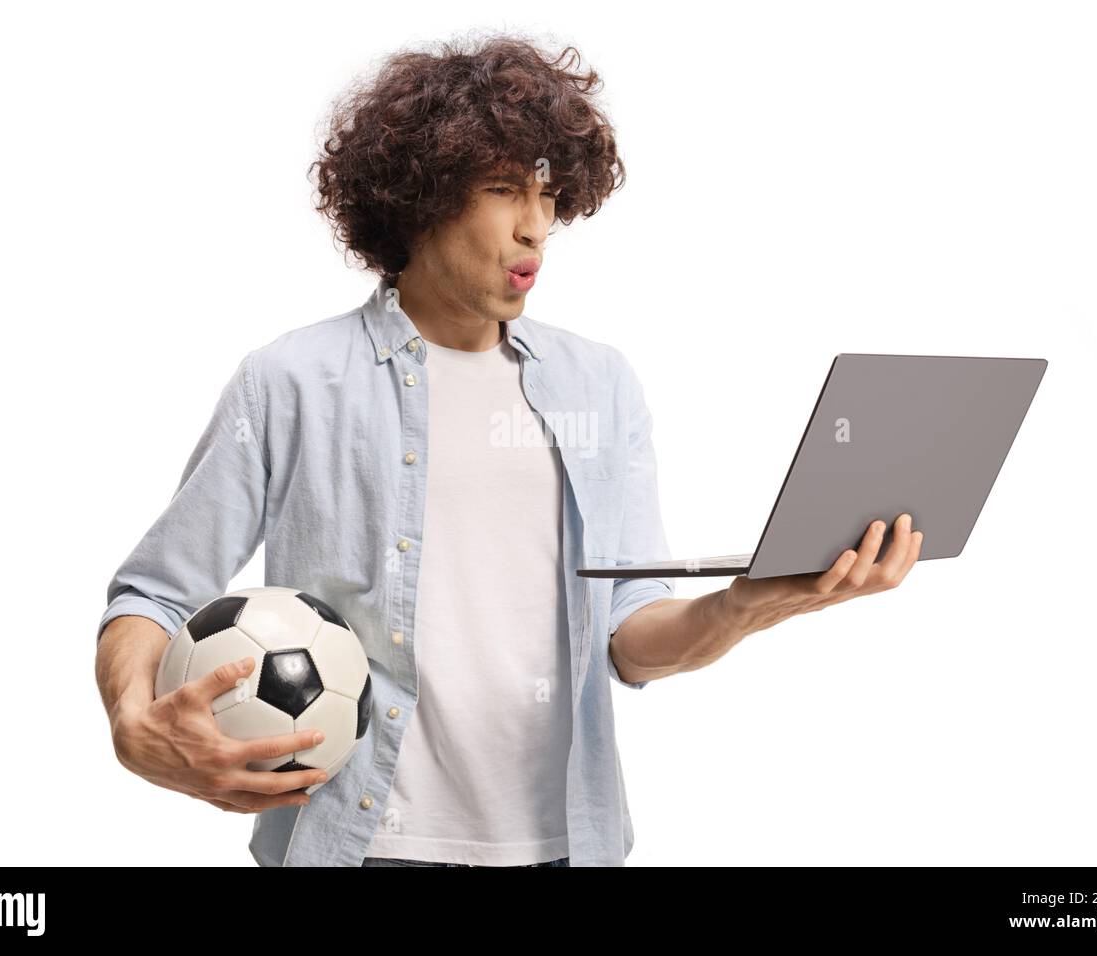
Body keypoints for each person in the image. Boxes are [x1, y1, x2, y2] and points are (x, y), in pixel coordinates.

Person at [94, 32, 923, 868]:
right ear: (418, 198)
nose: (537, 228)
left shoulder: (600, 385)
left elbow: (631, 633)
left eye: (549, 194)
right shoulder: (291, 381)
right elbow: (156, 592)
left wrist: (746, 605)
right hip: (360, 844)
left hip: (567, 845)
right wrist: (134, 722)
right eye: (502, 191)